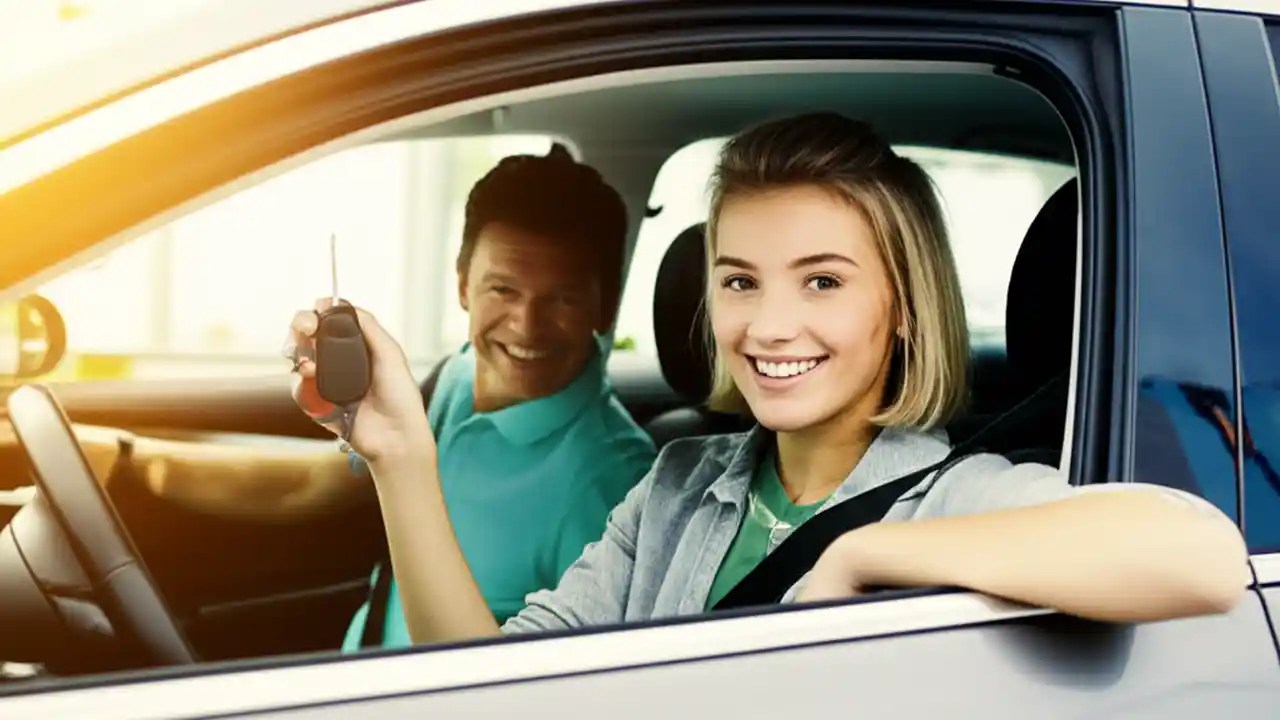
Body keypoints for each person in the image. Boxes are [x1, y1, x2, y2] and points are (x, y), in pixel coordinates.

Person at [287, 113, 1248, 645]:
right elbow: (491, 681)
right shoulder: (674, 488)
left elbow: (1202, 558)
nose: (770, 325)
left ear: (903, 306)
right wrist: (402, 456)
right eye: (740, 281)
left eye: (823, 281)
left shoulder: (957, 495)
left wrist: (868, 555)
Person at [108, 145, 657, 649]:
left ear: (604, 308)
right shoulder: (457, 378)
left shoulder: (614, 484)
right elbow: (319, 483)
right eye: (503, 290)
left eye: (561, 298)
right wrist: (135, 460)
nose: (527, 325)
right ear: (463, 285)